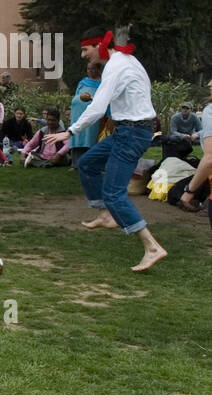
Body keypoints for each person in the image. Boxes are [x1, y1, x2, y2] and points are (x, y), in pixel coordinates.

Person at [42, 27, 168, 272]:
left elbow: (99, 107)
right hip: (127, 130)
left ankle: (152, 247)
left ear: (100, 46)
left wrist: (69, 131)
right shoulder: (124, 61)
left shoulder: (116, 66)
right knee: (88, 163)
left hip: (132, 133)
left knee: (114, 194)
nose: (82, 55)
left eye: (85, 49)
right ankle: (105, 215)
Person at [177, 76, 212, 218]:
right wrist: (199, 134)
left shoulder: (210, 111)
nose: (209, 84)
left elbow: (210, 158)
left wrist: (189, 191)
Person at [68, 60, 104, 168]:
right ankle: (75, 163)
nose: (90, 71)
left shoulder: (102, 83)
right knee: (77, 136)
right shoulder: (83, 82)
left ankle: (89, 163)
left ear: (98, 69)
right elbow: (77, 95)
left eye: (93, 68)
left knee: (90, 136)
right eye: (88, 69)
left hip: (92, 115)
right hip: (77, 114)